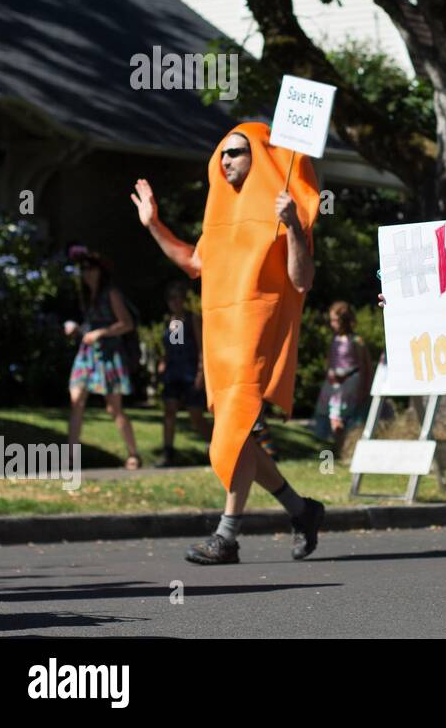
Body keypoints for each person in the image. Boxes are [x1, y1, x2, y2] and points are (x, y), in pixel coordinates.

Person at [133, 123, 326, 565]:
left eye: (236, 153)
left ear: (257, 157)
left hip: (257, 343)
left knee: (233, 434)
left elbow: (303, 279)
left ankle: (227, 536)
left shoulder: (283, 211)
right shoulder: (220, 220)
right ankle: (302, 510)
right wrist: (154, 224)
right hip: (221, 346)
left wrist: (293, 225)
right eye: (221, 154)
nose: (226, 161)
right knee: (238, 436)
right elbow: (193, 262)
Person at [65, 249, 141, 468]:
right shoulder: (86, 296)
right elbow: (88, 325)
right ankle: (71, 458)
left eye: (90, 268)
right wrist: (76, 329)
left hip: (108, 354)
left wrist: (102, 332)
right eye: (83, 269)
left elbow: (127, 323)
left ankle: (133, 453)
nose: (86, 273)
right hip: (87, 354)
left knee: (114, 407)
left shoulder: (111, 293)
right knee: (76, 400)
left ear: (100, 271)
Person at [155, 279, 210, 467]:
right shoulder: (171, 322)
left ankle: (215, 446)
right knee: (169, 412)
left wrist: (201, 372)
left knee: (195, 413)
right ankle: (168, 452)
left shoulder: (192, 318)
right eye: (171, 298)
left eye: (178, 298)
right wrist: (162, 363)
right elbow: (171, 348)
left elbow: (202, 346)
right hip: (173, 373)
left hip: (190, 372)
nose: (174, 302)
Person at [312, 301, 374, 448]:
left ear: (344, 321)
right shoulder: (335, 339)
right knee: (332, 416)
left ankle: (342, 447)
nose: (332, 323)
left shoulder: (356, 340)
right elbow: (331, 361)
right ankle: (336, 447)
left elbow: (365, 365)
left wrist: (365, 387)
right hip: (334, 384)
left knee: (342, 417)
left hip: (349, 384)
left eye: (335, 320)